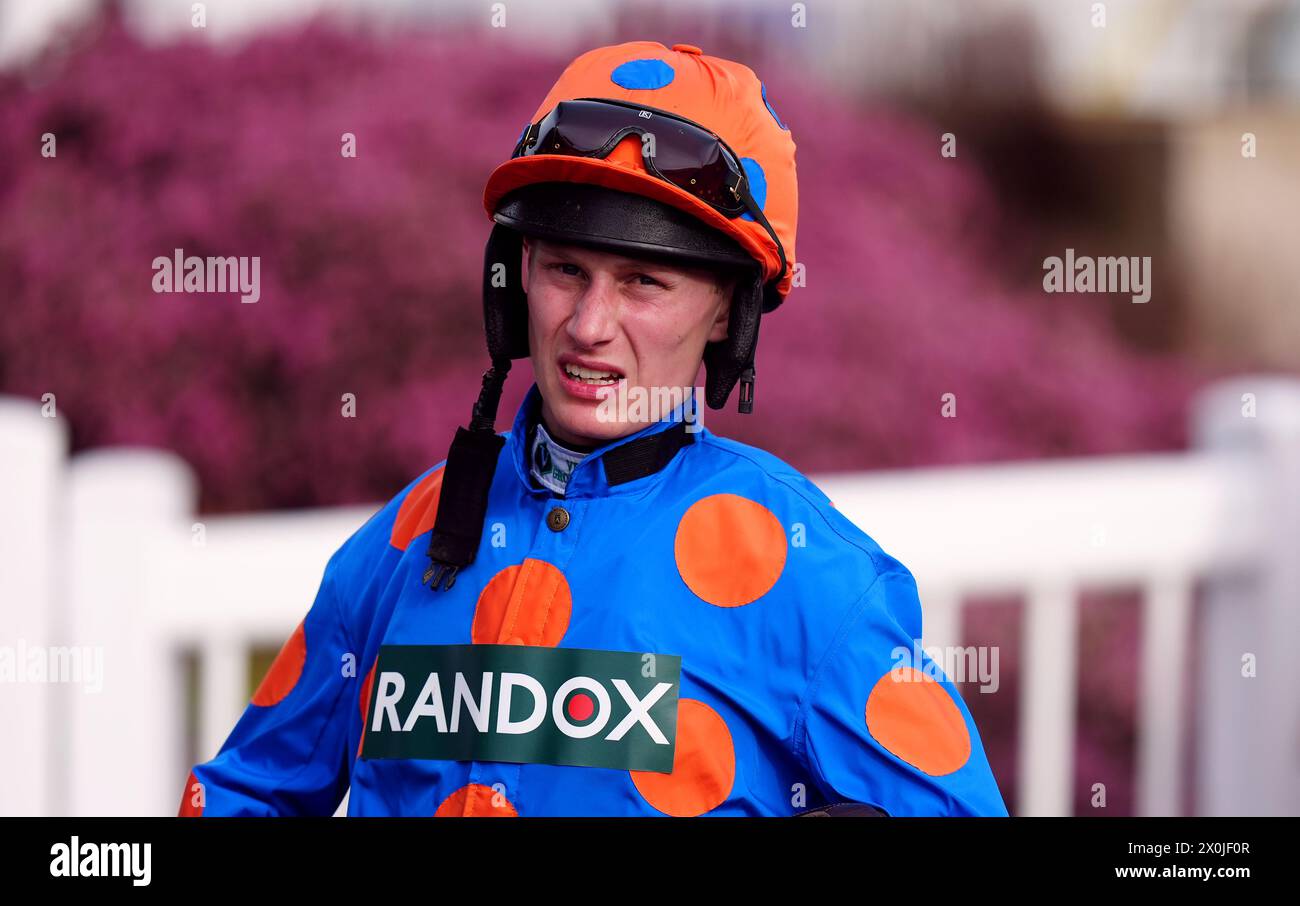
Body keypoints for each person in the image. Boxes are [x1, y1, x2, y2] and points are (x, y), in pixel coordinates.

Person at [178, 40, 1008, 817]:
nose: (588, 324)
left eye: (643, 282)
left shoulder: (806, 576)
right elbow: (245, 795)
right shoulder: (403, 541)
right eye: (566, 270)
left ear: (729, 315)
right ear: (515, 283)